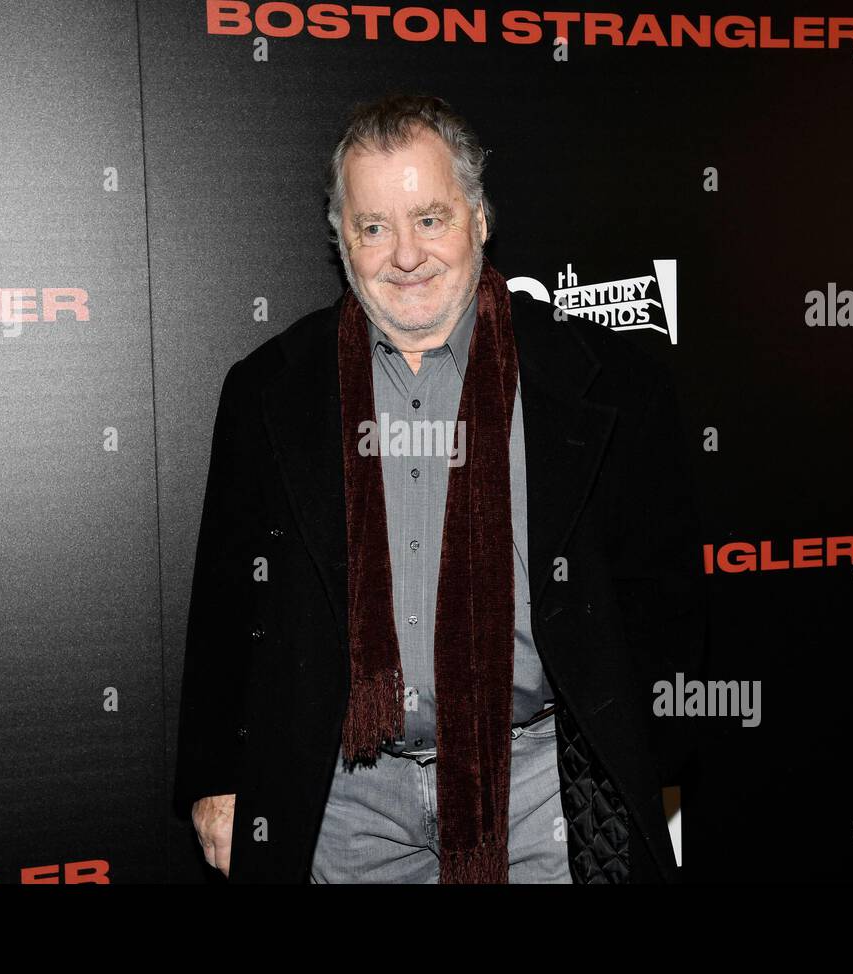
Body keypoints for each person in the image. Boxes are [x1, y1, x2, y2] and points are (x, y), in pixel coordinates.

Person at [173, 93, 706, 883]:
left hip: (542, 787)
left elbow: (663, 595)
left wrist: (649, 758)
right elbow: (227, 602)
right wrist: (216, 780)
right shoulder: (268, 391)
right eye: (373, 226)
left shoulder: (609, 384)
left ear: (480, 219)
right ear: (341, 240)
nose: (406, 255)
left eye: (431, 219)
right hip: (342, 801)